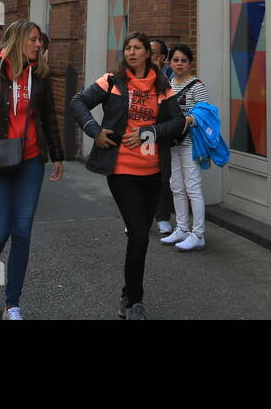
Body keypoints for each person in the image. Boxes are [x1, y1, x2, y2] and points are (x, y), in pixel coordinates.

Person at [70, 31, 183, 320]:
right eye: (127, 48)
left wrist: (151, 131)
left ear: (149, 53)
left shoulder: (163, 85)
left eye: (138, 48)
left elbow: (178, 121)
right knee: (139, 235)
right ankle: (134, 301)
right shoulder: (112, 81)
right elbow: (77, 102)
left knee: (141, 236)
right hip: (122, 170)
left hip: (154, 172)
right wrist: (94, 131)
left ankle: (128, 293)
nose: (132, 52)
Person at [0, 19, 65, 320]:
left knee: (22, 232)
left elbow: (49, 116)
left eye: (40, 40)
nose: (39, 45)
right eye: (34, 39)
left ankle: (13, 303)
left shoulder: (41, 76)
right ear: (18, 41)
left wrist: (57, 153)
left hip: (30, 162)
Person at [160, 45, 209, 251]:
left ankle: (198, 234)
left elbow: (206, 114)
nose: (179, 64)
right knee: (177, 187)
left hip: (190, 144)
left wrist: (188, 119)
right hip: (172, 144)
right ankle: (181, 228)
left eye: (183, 60)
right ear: (169, 62)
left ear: (190, 63)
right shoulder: (168, 84)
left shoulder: (197, 85)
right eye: (175, 60)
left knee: (193, 189)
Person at [148, 38, 176, 235]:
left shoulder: (169, 77)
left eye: (152, 52)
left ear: (162, 57)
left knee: (163, 177)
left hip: (163, 134)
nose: (148, 55)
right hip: (143, 135)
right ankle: (139, 217)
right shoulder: (139, 75)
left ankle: (163, 217)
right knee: (141, 178)